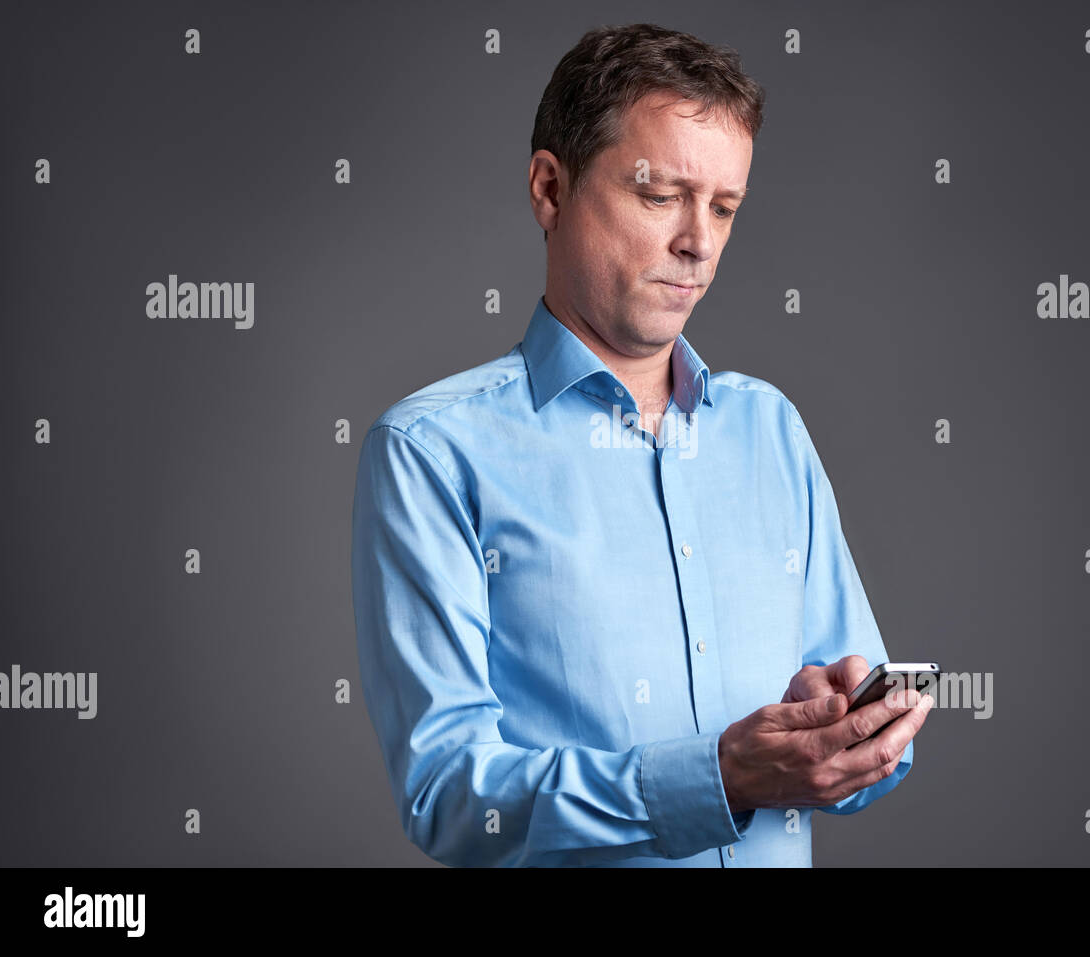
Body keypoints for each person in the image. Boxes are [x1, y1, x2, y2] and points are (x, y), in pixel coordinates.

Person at [350, 22, 932, 868]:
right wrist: (723, 777)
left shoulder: (771, 429)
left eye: (724, 206)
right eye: (661, 195)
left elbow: (878, 746)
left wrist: (846, 728)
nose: (698, 241)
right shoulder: (431, 452)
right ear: (550, 189)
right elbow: (449, 794)